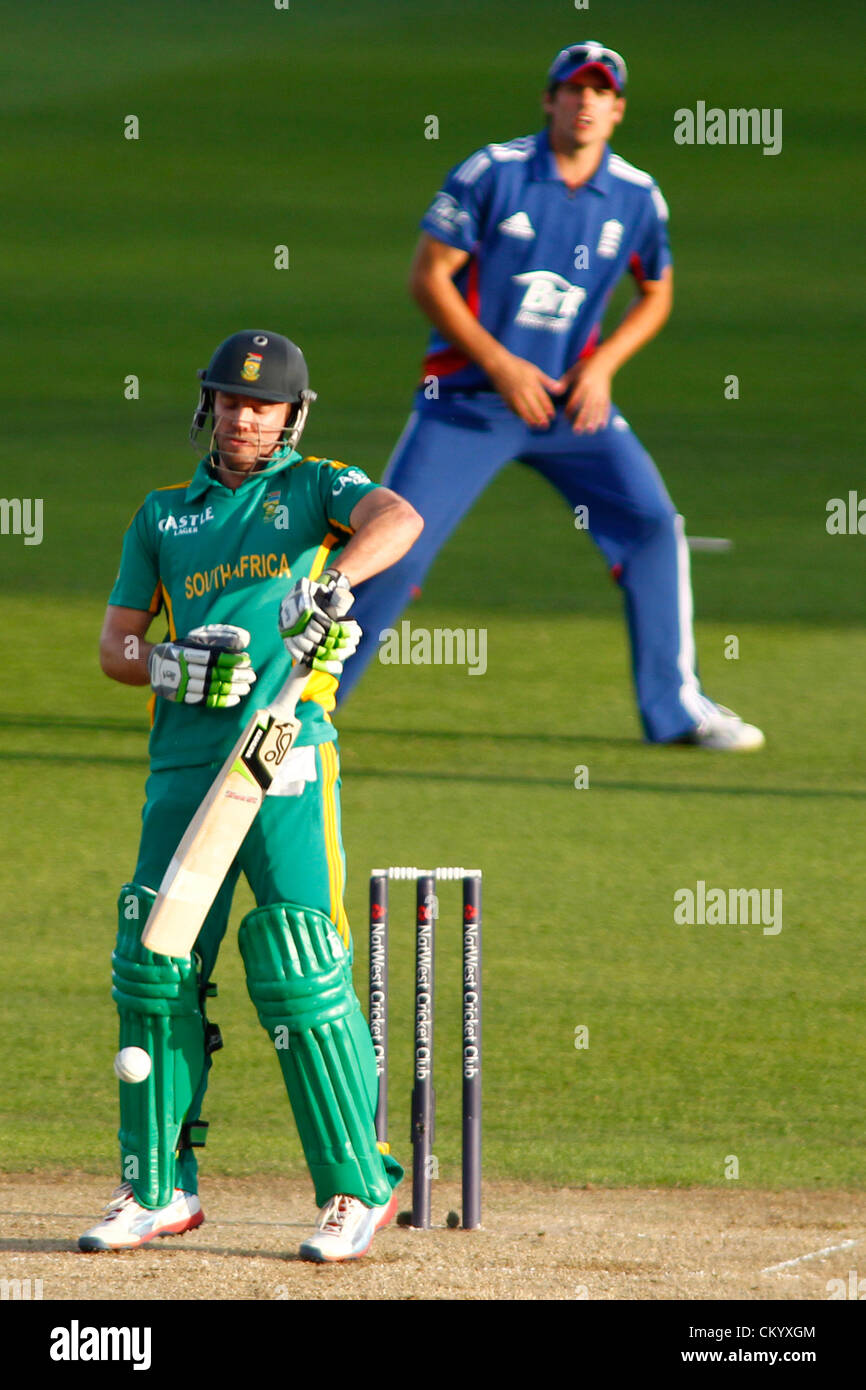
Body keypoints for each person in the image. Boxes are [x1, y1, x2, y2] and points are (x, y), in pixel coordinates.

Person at [80, 330, 422, 1262]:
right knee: (154, 961)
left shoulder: (316, 489)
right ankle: (158, 1189)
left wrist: (332, 586)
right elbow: (114, 644)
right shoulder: (162, 515)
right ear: (209, 407)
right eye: (231, 401)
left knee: (299, 959)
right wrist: (165, 667)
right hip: (184, 765)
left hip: (284, 754)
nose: (244, 418)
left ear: (291, 417)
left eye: (262, 405)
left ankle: (359, 1189)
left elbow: (401, 518)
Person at [338, 41, 764, 751]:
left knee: (654, 527)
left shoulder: (635, 194)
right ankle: (305, 701)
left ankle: (677, 709)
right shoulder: (492, 173)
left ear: (619, 109)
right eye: (574, 90)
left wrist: (603, 370)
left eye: (602, 93)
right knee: (392, 546)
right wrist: (502, 366)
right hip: (469, 402)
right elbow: (428, 277)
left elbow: (655, 292)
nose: (587, 102)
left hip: (573, 409)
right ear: (550, 100)